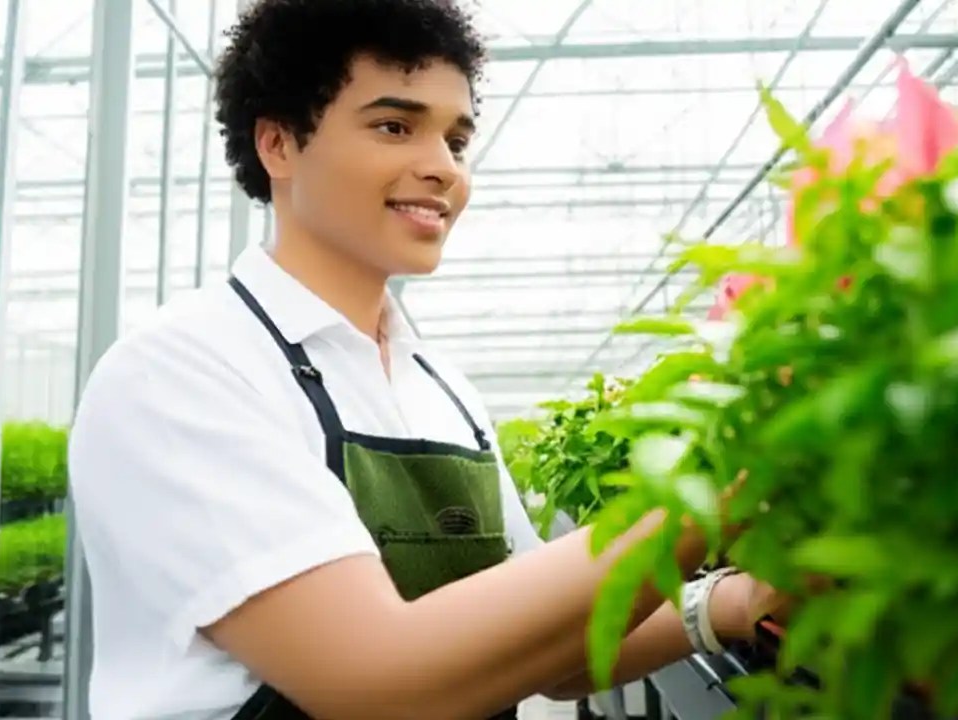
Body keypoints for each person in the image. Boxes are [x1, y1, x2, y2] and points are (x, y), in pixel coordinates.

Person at [66, 1, 788, 718]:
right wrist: (710, 492)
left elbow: (559, 649)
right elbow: (376, 682)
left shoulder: (439, 389)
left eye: (457, 140)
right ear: (279, 144)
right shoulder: (182, 373)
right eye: (394, 126)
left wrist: (731, 602)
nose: (442, 168)